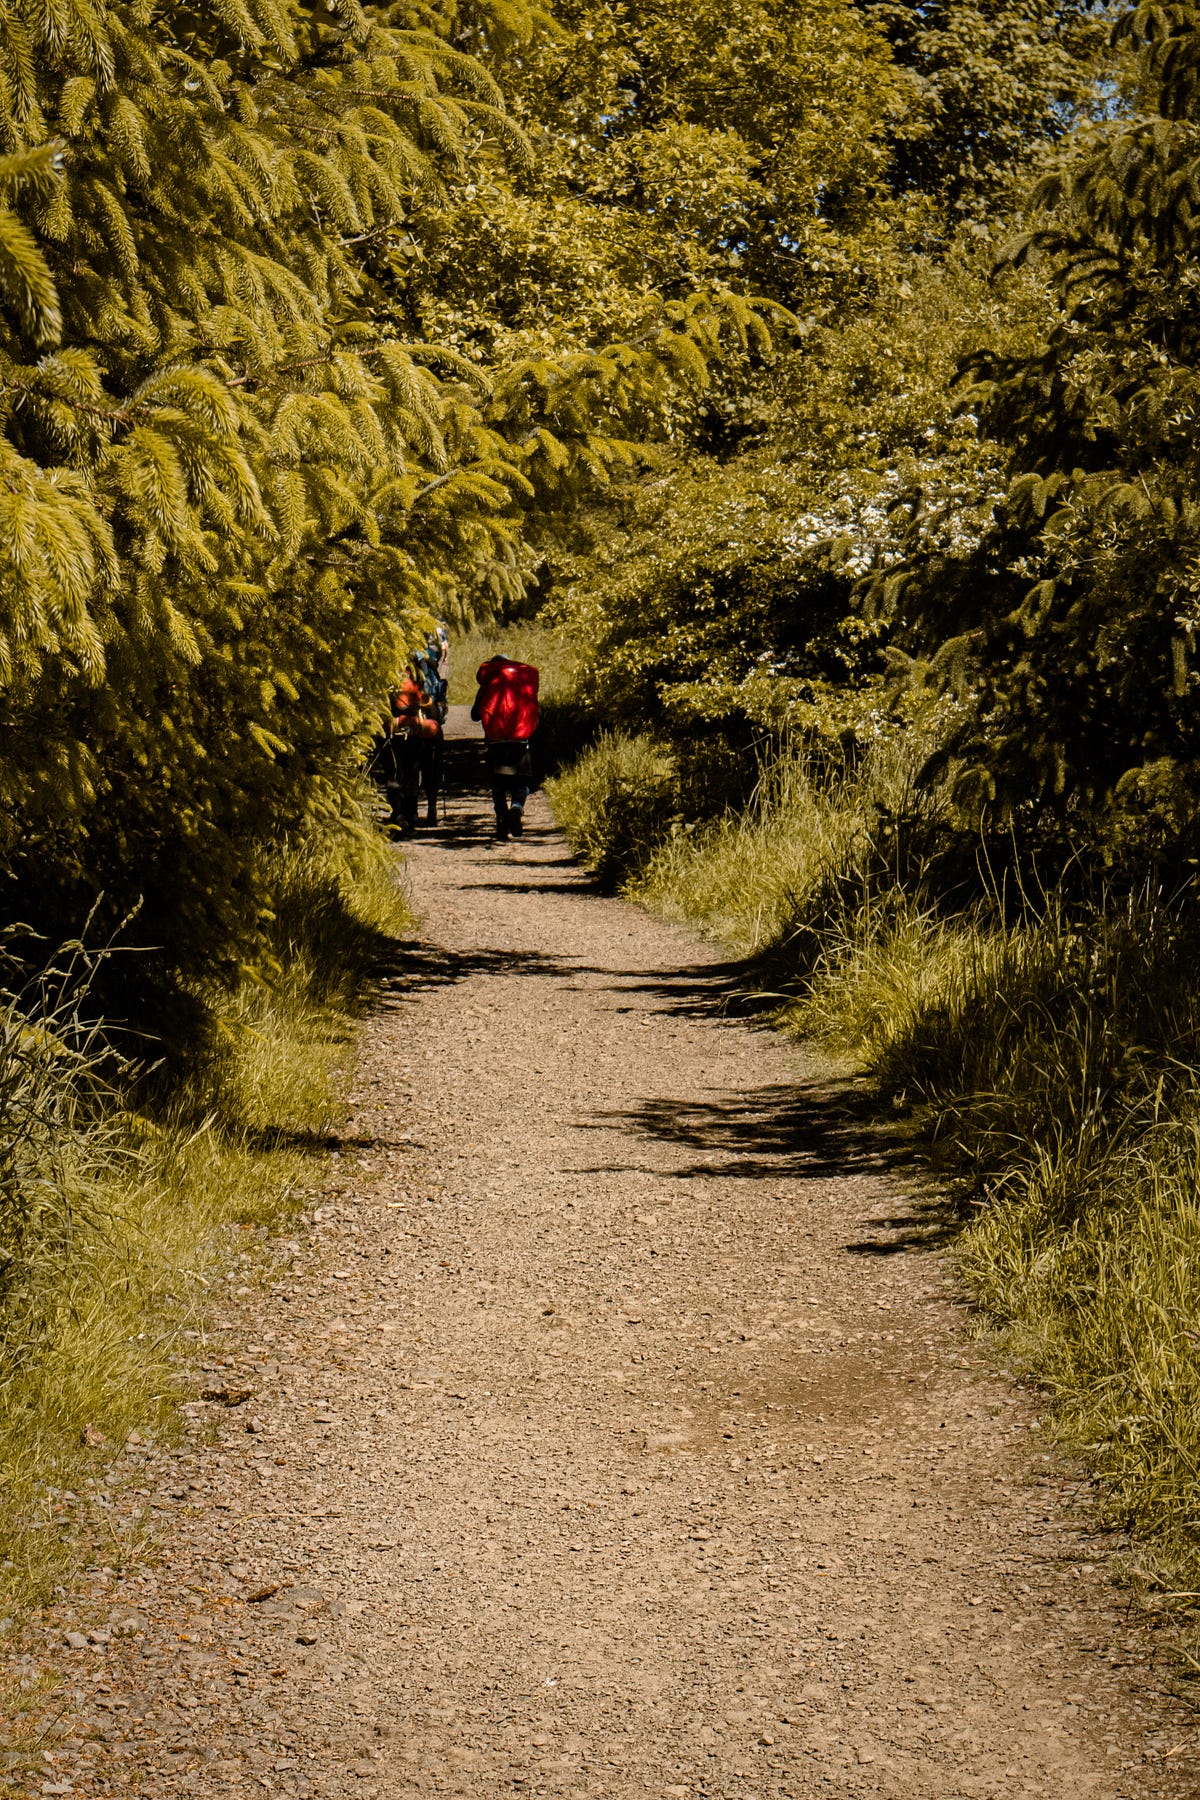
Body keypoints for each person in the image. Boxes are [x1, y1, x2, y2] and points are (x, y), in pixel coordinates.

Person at [471, 654, 539, 841]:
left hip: (495, 740)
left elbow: (475, 715)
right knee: (522, 781)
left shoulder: (489, 682)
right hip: (520, 739)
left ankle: (501, 821)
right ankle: (517, 807)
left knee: (498, 785)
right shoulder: (523, 679)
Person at [384, 663, 441, 837]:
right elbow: (434, 715)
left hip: (393, 738)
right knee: (412, 776)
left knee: (393, 775)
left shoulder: (387, 690)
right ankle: (412, 814)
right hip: (415, 738)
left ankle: (398, 813)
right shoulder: (418, 690)